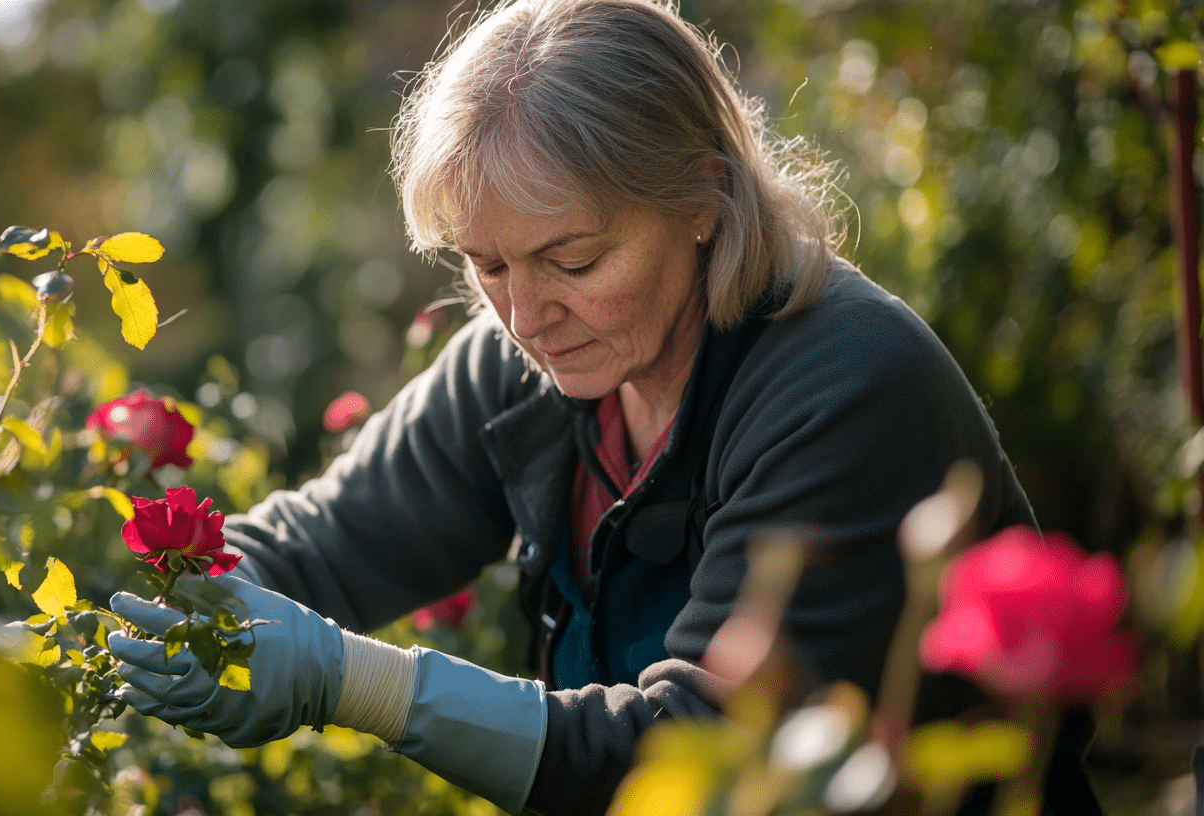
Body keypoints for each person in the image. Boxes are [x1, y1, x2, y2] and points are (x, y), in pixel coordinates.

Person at [106, 1, 1099, 813]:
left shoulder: (843, 388)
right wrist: (185, 607)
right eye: (484, 263)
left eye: (572, 260)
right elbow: (327, 545)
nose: (525, 314)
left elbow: (699, 756)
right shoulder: (533, 362)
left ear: (703, 199)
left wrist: (354, 681)